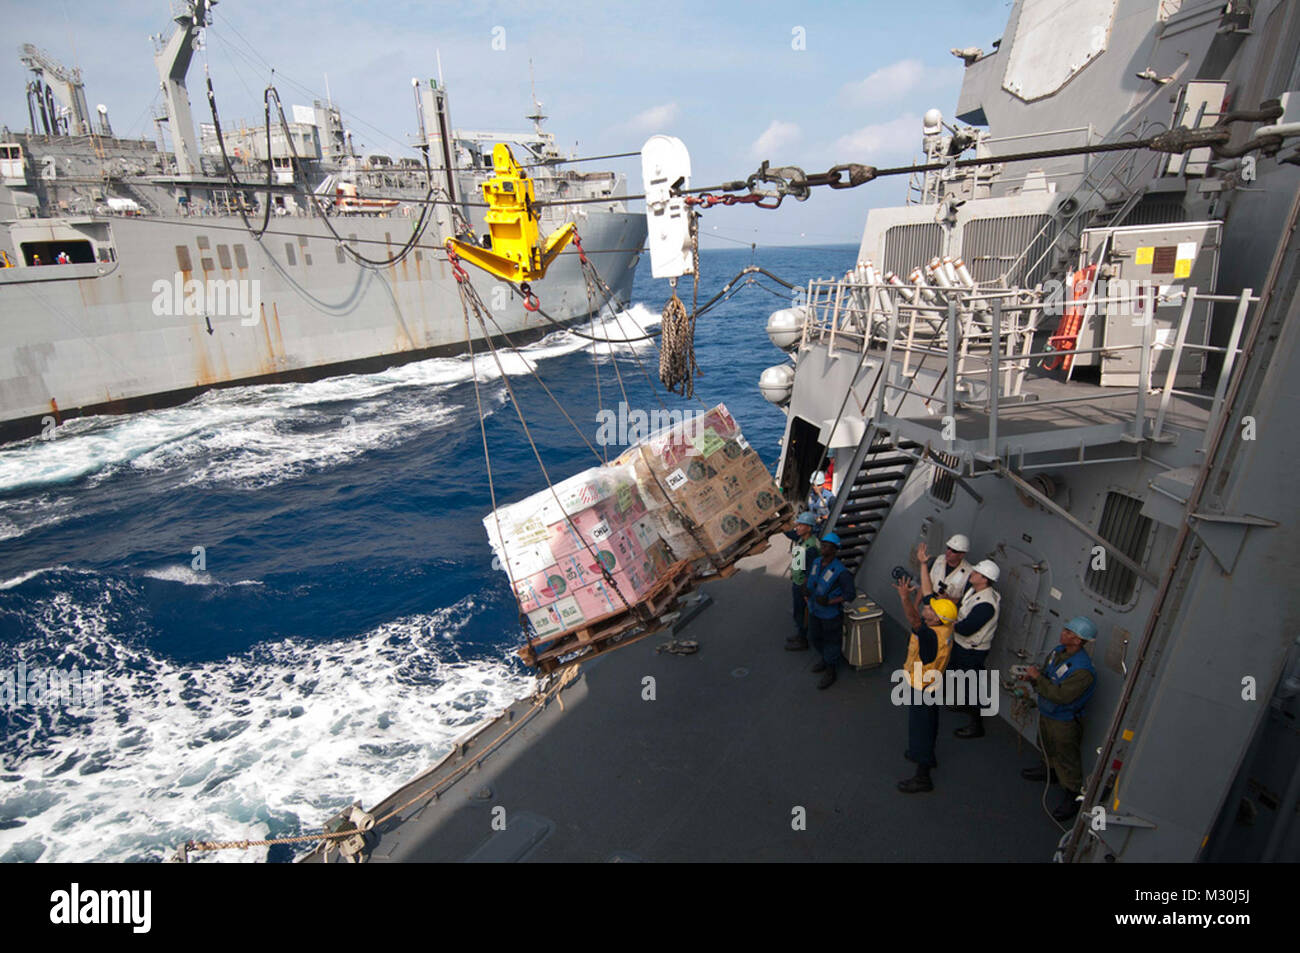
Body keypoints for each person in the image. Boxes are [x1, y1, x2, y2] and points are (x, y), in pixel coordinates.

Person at [1018, 615, 1099, 822]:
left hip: (1063, 719)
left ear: (1079, 641)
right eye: (1065, 630)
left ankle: (1072, 795)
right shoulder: (1057, 652)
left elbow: (1062, 696)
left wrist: (1038, 679)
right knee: (1045, 743)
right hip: (1048, 711)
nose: (1063, 633)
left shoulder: (1082, 671)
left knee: (1066, 757)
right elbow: (1046, 673)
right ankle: (1049, 770)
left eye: (1069, 632)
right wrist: (1033, 678)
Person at [894, 576, 957, 793]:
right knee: (929, 722)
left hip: (922, 686)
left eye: (931, 609)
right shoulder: (945, 627)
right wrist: (923, 565)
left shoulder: (931, 636)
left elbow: (914, 620)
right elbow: (929, 597)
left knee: (921, 728)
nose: (927, 608)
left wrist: (905, 598)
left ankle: (923, 776)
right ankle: (925, 756)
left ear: (937, 618)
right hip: (933, 683)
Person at [946, 558, 1001, 739]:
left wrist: (949, 623)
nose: (972, 573)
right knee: (954, 673)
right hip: (961, 645)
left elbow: (966, 628)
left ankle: (977, 726)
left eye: (976, 573)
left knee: (972, 686)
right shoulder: (974, 591)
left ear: (985, 579)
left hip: (972, 651)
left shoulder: (986, 604)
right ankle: (962, 704)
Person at [804, 532, 855, 689]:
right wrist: (805, 589)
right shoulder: (816, 562)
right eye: (823, 544)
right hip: (814, 610)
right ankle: (825, 659)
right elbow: (810, 577)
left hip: (830, 614)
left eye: (827, 546)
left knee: (831, 642)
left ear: (834, 550)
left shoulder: (841, 572)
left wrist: (830, 601)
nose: (823, 547)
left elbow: (850, 595)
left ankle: (830, 671)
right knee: (815, 637)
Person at [783, 512, 821, 651]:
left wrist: (805, 590)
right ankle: (800, 634)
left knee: (801, 612)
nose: (797, 527)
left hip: (802, 585)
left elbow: (811, 572)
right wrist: (780, 521)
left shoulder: (811, 547)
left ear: (809, 528)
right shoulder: (802, 538)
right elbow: (789, 533)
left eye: (800, 525)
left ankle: (803, 640)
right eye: (797, 524)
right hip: (798, 581)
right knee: (798, 612)